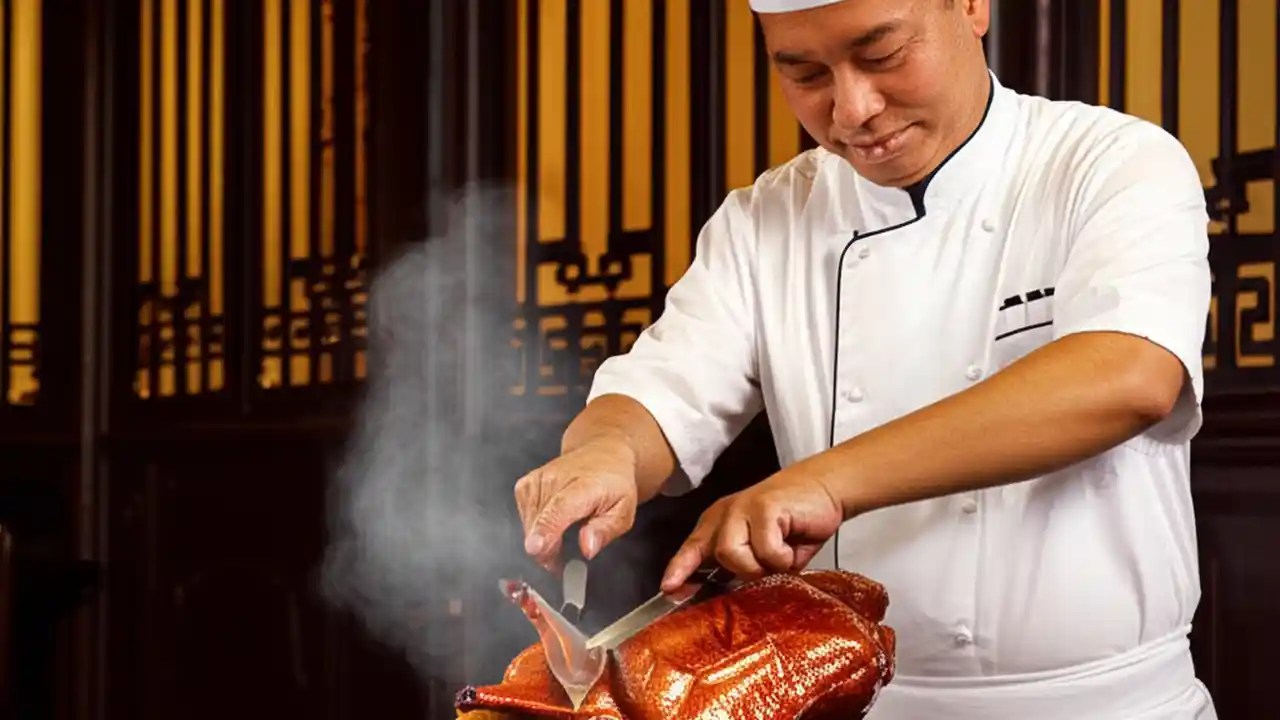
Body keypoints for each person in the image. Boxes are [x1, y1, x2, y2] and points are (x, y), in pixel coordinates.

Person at [512, 0, 1217, 717]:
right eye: (806, 73)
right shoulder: (766, 220)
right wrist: (606, 453)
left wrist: (824, 483)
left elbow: (1130, 376)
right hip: (869, 704)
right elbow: (661, 395)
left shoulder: (1109, 163)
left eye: (881, 56)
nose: (852, 109)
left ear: (972, 6)